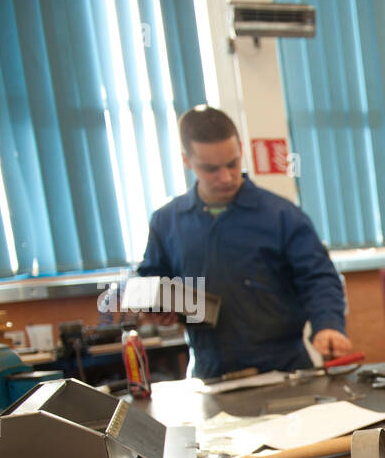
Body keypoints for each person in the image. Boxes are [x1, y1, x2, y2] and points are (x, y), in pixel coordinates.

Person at [138, 105, 351, 379]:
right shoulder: (166, 221)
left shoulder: (282, 215)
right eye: (211, 169)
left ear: (240, 149)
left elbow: (318, 277)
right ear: (186, 161)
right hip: (209, 371)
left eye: (232, 164)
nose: (225, 177)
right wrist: (156, 307)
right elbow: (150, 281)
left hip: (284, 367)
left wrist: (328, 325)